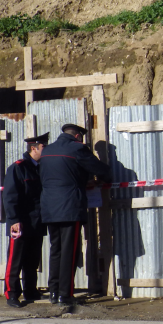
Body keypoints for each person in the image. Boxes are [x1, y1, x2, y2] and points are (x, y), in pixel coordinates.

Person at [39, 123, 112, 306]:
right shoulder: (78, 149)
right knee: (69, 252)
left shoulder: (47, 151)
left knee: (55, 250)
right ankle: (66, 295)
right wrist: (107, 179)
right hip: (70, 207)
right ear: (78, 136)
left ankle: (54, 293)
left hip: (49, 207)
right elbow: (101, 170)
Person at [2, 133, 49, 308]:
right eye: (43, 147)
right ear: (33, 148)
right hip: (20, 221)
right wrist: (13, 219)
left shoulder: (41, 168)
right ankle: (11, 293)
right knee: (15, 259)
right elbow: (10, 196)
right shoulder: (18, 167)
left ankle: (30, 289)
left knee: (32, 259)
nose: (46, 149)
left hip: (37, 221)